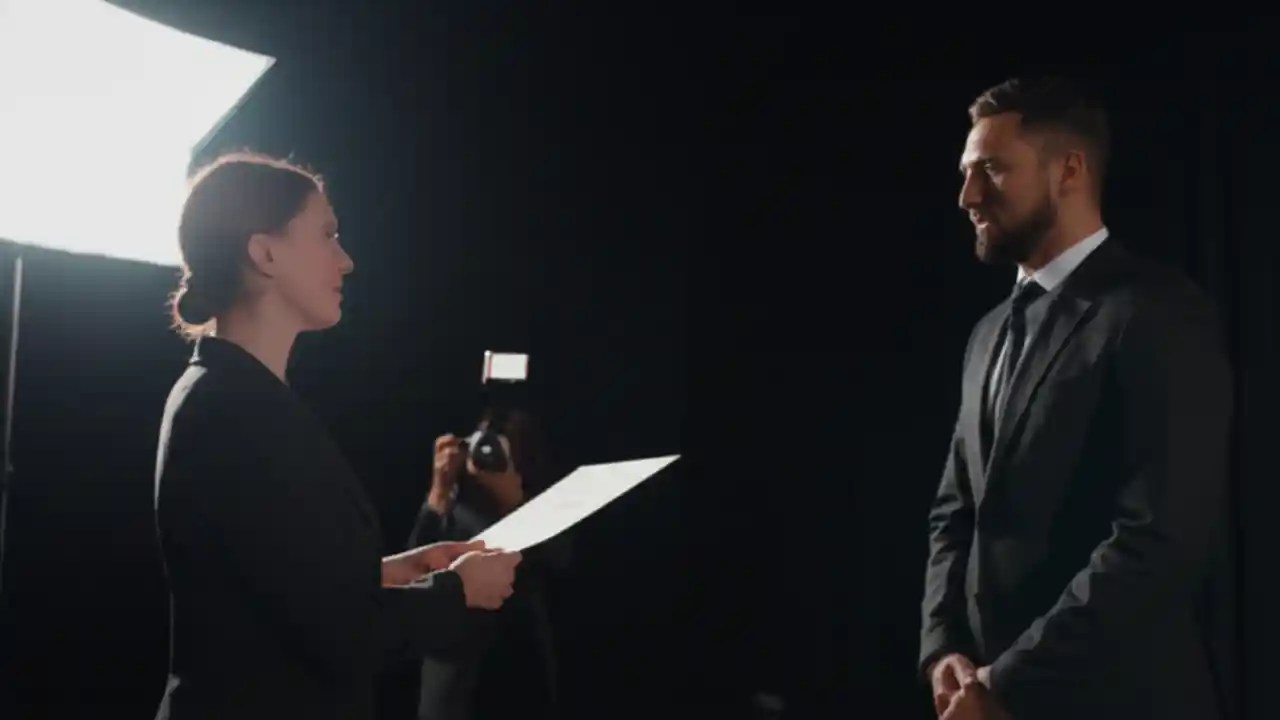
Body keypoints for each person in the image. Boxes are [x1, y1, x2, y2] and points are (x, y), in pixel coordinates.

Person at [152, 152, 523, 719]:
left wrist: (401, 570)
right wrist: (458, 593)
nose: (346, 261)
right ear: (265, 252)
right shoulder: (230, 410)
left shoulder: (235, 398)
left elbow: (275, 587)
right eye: (328, 234)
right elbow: (336, 635)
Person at [919, 77, 1234, 720]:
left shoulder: (1158, 312)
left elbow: (1158, 538)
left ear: (1069, 170)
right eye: (964, 172)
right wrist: (942, 649)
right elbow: (956, 511)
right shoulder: (986, 335)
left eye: (992, 170)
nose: (967, 195)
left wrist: (1006, 682)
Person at [407, 408, 569, 720]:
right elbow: (413, 574)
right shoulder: (451, 505)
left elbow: (560, 559)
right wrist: (438, 491)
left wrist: (514, 505)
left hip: (518, 664)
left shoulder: (537, 503)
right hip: (454, 672)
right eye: (483, 440)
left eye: (500, 444)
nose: (487, 450)